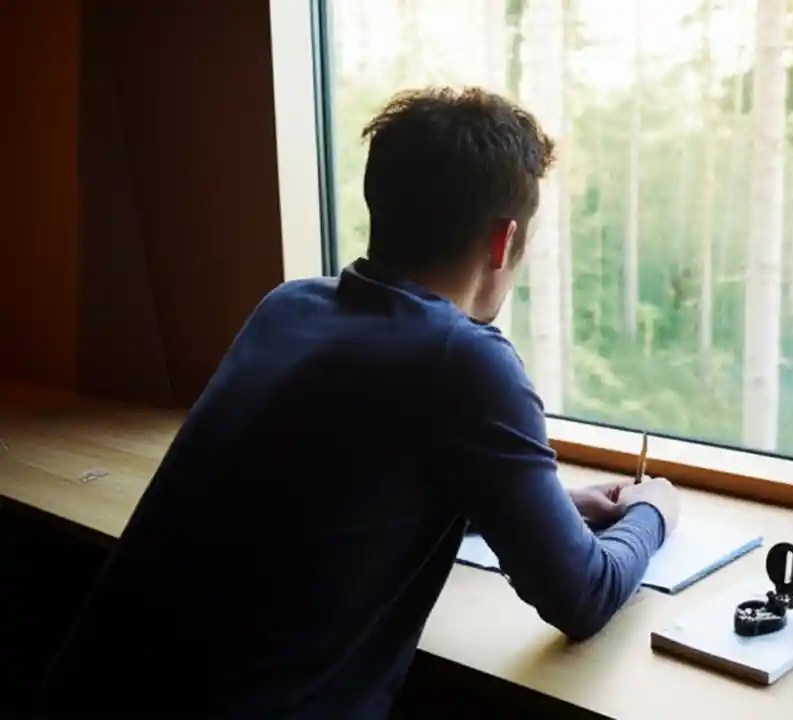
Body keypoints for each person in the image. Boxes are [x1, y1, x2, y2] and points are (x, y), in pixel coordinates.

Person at [40, 87, 680, 718]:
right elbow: (583, 596)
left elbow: (355, 489)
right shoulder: (465, 359)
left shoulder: (287, 307)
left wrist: (557, 508)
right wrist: (651, 513)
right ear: (502, 242)